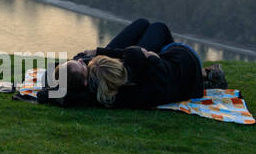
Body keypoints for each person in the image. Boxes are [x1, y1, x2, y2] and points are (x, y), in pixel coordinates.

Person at [33, 18, 225, 108]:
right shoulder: (137, 74)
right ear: (85, 82)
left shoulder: (98, 93)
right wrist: (153, 58)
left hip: (126, 68)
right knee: (158, 27)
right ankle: (204, 75)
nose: (82, 61)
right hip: (179, 57)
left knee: (142, 23)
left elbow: (56, 81)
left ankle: (204, 75)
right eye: (82, 65)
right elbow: (156, 80)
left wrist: (50, 91)